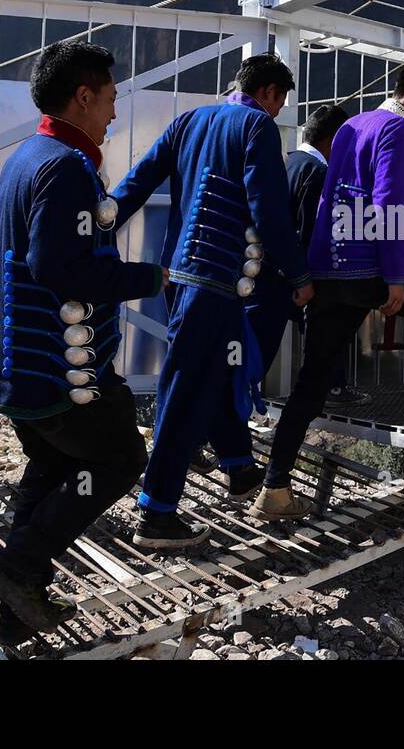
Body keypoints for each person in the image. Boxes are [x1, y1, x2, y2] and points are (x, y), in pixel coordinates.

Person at [0, 40, 164, 636]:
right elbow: (59, 267)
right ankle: (19, 565)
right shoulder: (64, 167)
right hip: (59, 375)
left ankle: (16, 613)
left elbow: (63, 243)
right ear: (83, 97)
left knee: (53, 468)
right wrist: (148, 276)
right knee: (121, 457)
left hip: (18, 372)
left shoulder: (31, 154)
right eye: (108, 100)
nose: (112, 113)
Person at [251, 62, 404, 520]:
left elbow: (336, 198)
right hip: (369, 271)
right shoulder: (398, 129)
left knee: (311, 382)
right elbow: (388, 200)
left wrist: (331, 265)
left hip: (330, 268)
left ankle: (275, 488)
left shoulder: (352, 125)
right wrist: (396, 276)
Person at [109, 53, 313, 546]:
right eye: (280, 101)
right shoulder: (256, 127)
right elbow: (268, 210)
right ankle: (157, 511)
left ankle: (239, 468)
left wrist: (101, 222)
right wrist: (298, 273)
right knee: (185, 387)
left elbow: (138, 181)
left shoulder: (189, 121)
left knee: (218, 372)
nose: (278, 111)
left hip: (178, 277)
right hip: (218, 280)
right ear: (268, 93)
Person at [286, 103, 369, 407]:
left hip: (284, 269)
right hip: (309, 272)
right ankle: (332, 388)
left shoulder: (291, 162)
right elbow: (313, 226)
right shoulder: (318, 172)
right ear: (334, 139)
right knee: (326, 331)